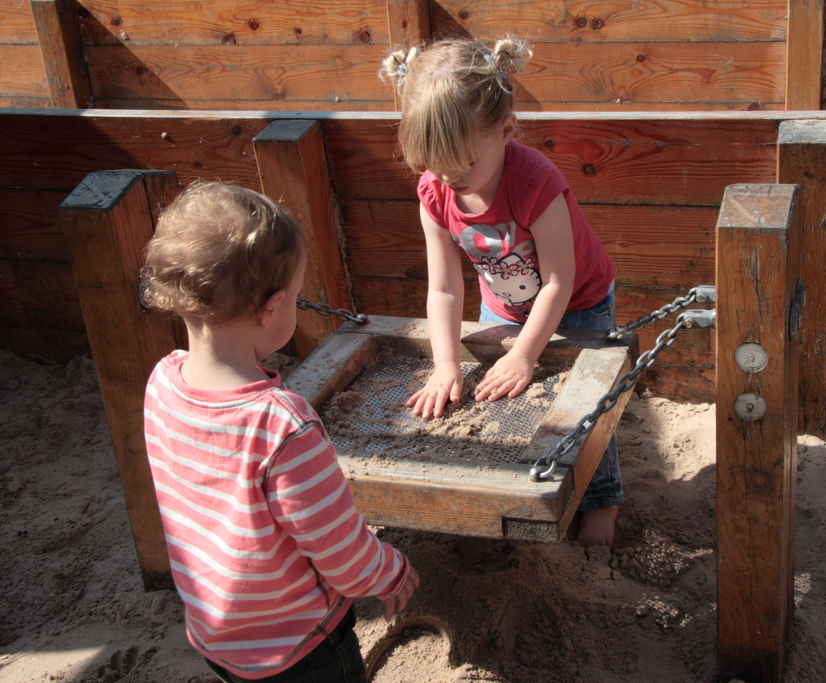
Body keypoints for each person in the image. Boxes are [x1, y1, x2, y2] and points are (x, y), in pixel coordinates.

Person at [141, 182, 419, 683]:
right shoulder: (280, 425)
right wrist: (389, 569)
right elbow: (340, 552)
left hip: (218, 633)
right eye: (295, 296)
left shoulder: (163, 381)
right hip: (299, 645)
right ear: (270, 309)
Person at [380, 37, 622, 548]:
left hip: (578, 303)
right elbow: (444, 288)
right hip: (505, 305)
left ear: (506, 130)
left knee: (588, 408)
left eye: (463, 163)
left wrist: (526, 354)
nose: (450, 177)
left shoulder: (536, 182)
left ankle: (602, 500)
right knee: (513, 402)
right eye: (434, 163)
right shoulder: (435, 190)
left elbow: (559, 280)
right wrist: (445, 364)